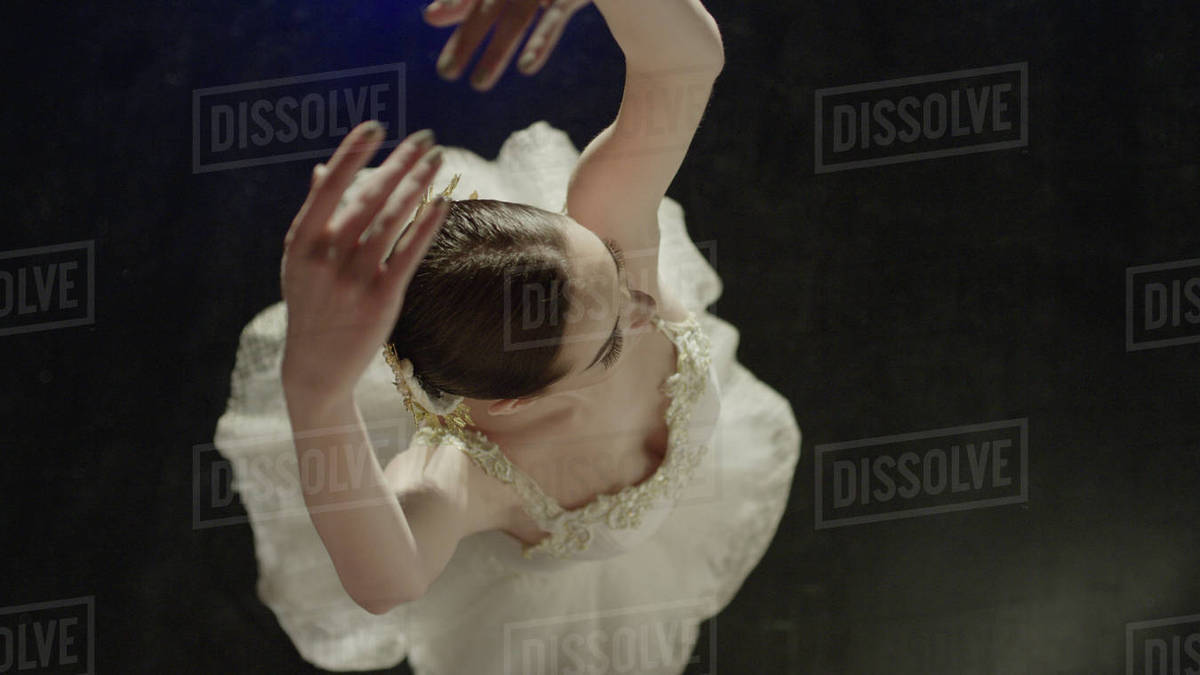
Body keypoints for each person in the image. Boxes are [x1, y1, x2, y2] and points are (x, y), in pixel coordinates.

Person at [213, 1, 801, 672]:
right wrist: (316, 395)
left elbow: (685, 63)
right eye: (608, 343)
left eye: (613, 267)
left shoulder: (612, 223)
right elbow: (387, 580)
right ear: (515, 402)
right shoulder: (475, 473)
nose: (643, 308)